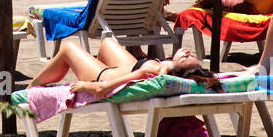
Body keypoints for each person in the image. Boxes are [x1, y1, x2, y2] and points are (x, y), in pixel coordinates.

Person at [29, 35, 221, 95]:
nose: (187, 52)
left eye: (185, 58)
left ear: (179, 69)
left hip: (104, 76)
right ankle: (92, 62)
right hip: (133, 65)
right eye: (191, 54)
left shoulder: (153, 71)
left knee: (68, 48)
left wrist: (85, 86)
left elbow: (104, 89)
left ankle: (32, 87)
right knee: (107, 43)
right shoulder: (168, 68)